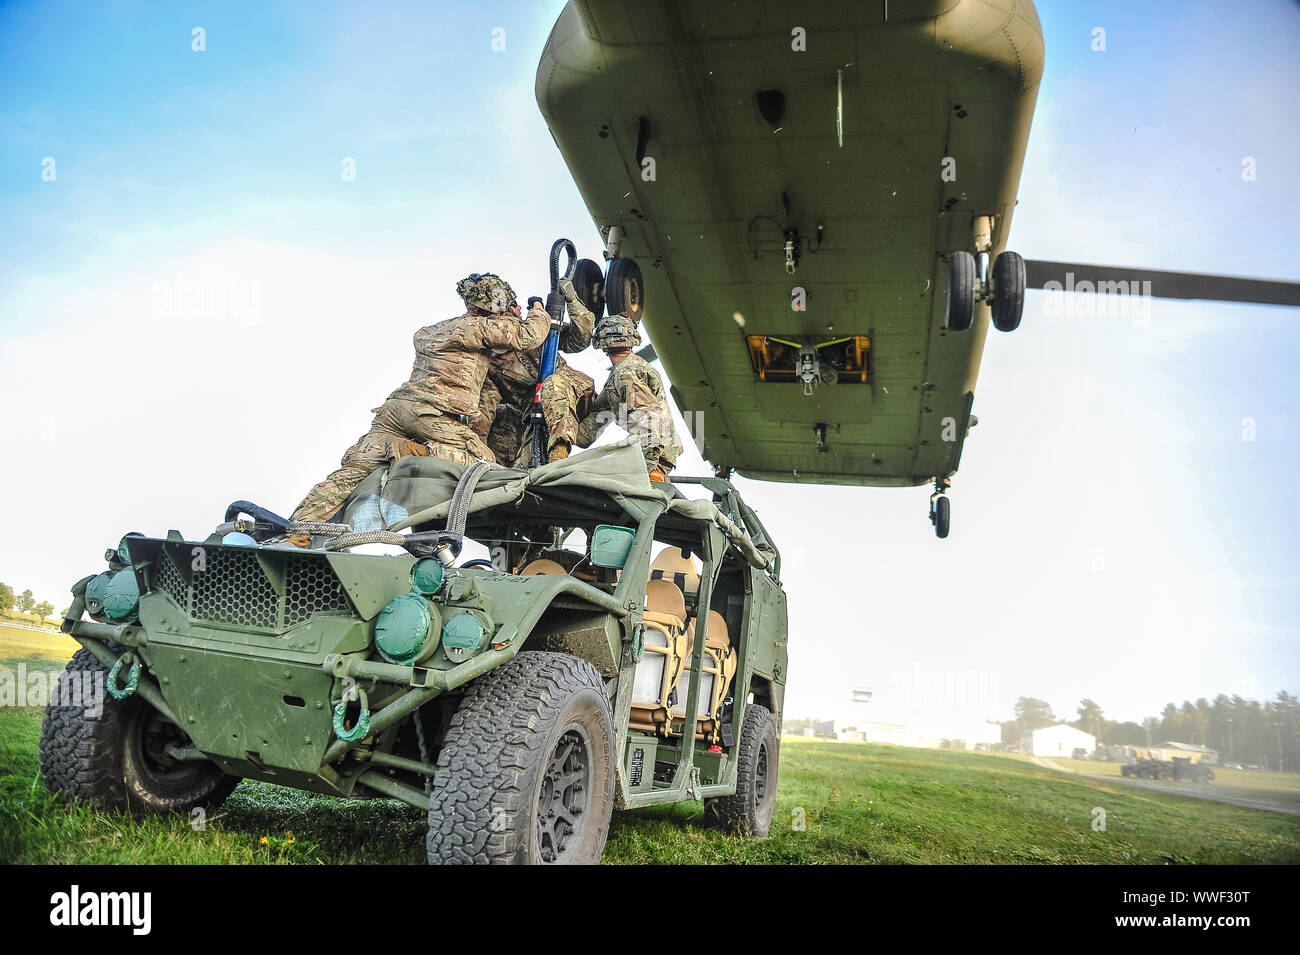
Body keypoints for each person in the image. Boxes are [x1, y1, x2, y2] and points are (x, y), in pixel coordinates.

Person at [287, 273, 549, 538]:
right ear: (497, 306)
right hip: (430, 416)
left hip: (395, 411)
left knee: (353, 471)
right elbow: (529, 335)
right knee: (483, 461)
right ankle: (419, 452)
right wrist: (538, 309)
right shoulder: (477, 327)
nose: (514, 310)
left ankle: (298, 529)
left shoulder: (433, 331)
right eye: (511, 304)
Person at [544, 313, 683, 480]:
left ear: (602, 345)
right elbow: (587, 433)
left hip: (652, 456)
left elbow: (649, 424)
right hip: (652, 452)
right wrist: (557, 429)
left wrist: (645, 471)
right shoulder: (622, 373)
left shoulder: (627, 373)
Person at [479, 278, 597, 466]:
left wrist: (572, 300)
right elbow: (485, 409)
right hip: (536, 419)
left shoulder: (539, 331)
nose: (519, 310)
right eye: (514, 305)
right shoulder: (488, 362)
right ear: (501, 313)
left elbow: (580, 340)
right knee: (527, 472)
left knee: (551, 385)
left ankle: (559, 450)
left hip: (575, 397)